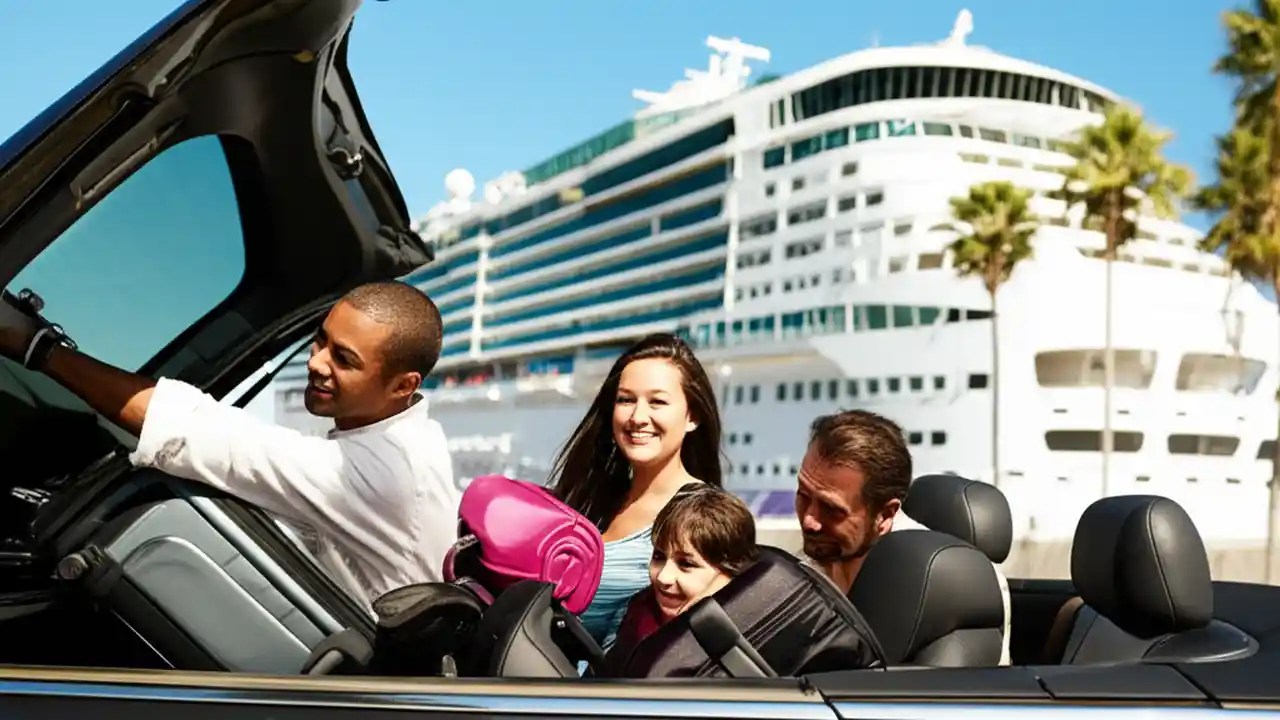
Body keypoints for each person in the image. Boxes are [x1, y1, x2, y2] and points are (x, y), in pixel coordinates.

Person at [0, 280, 459, 608]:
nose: (316, 362)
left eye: (344, 359)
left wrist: (38, 348)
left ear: (403, 386)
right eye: (321, 340)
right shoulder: (406, 441)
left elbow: (194, 431)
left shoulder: (382, 472)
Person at [548, 332, 723, 649]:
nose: (638, 417)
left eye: (657, 402)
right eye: (626, 400)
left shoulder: (703, 517)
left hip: (612, 693)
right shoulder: (590, 498)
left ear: (693, 416)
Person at [794, 409, 912, 593]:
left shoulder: (911, 601)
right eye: (803, 495)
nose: (809, 521)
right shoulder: (794, 584)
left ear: (884, 515)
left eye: (831, 509)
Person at [628, 484, 759, 643]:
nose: (664, 577)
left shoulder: (749, 635)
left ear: (729, 572)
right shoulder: (639, 612)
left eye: (686, 564)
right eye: (658, 556)